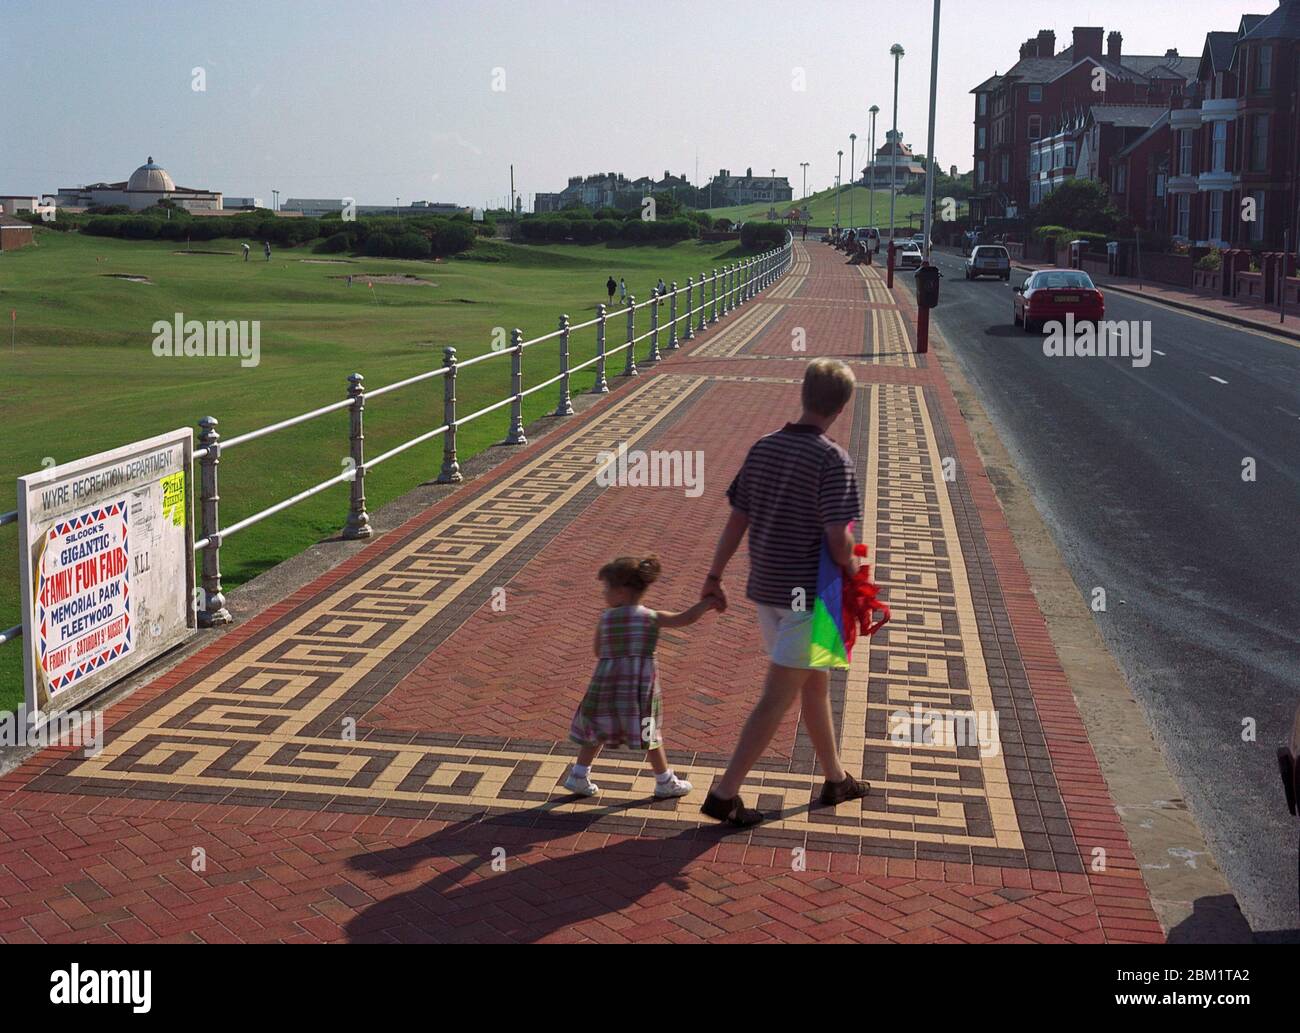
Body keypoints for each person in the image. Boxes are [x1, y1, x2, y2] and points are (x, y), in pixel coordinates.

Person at [698, 358, 870, 827]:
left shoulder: (764, 447)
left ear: (803, 394)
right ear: (842, 407)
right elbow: (838, 540)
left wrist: (714, 575)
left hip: (769, 591)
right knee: (776, 698)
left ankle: (835, 778)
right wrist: (855, 568)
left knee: (815, 685)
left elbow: (738, 518)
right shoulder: (833, 460)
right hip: (810, 599)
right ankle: (724, 795)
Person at [565, 555, 719, 798]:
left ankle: (578, 775)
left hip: (606, 686)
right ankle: (664, 780)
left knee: (597, 728)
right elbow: (685, 618)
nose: (604, 593)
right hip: (639, 688)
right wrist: (707, 603)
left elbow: (598, 651)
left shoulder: (606, 618)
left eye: (606, 588)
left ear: (621, 591)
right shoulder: (651, 617)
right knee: (649, 731)